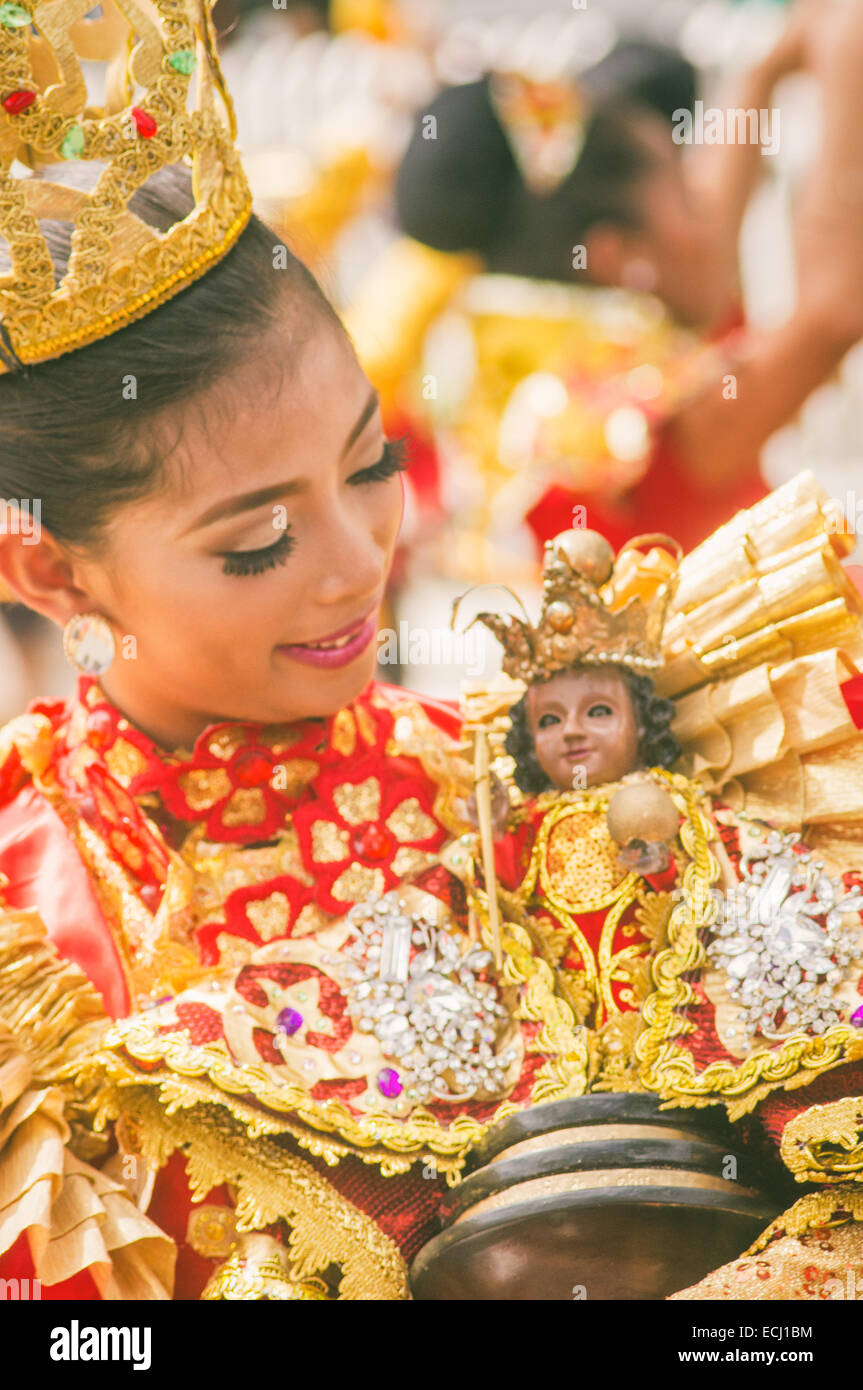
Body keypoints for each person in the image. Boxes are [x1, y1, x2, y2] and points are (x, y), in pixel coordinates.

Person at [347, 2, 863, 579]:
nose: (711, 211)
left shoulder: (519, 375)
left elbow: (707, 245)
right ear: (616, 253)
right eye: (687, 194)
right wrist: (847, 49)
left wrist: (767, 70)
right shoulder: (629, 414)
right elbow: (835, 312)